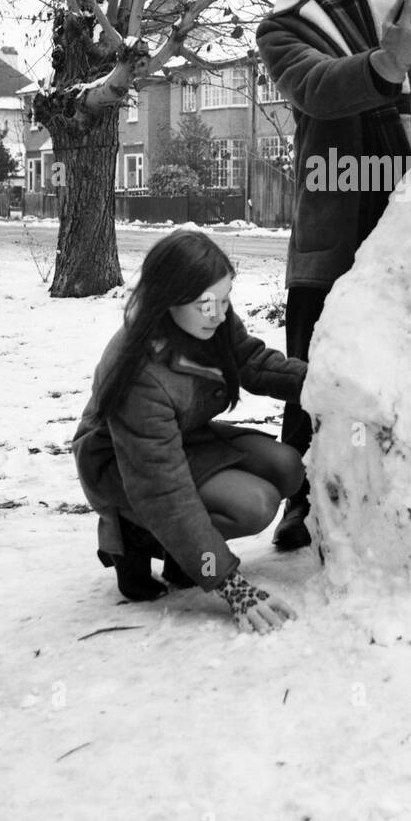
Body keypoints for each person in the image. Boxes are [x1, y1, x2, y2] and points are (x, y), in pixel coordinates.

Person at [256, 0, 411, 549]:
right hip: (336, 213)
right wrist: (391, 61)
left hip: (410, 207)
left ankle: (401, 490)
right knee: (311, 368)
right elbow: (316, 87)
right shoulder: (278, 29)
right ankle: (300, 501)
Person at [71, 229, 304, 634]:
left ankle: (185, 554)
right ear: (169, 299)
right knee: (255, 504)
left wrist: (328, 381)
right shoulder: (137, 373)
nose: (218, 312)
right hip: (124, 466)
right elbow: (165, 492)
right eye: (205, 304)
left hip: (184, 437)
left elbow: (254, 364)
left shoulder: (212, 318)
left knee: (287, 467)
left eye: (226, 297)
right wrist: (232, 587)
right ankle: (136, 536)